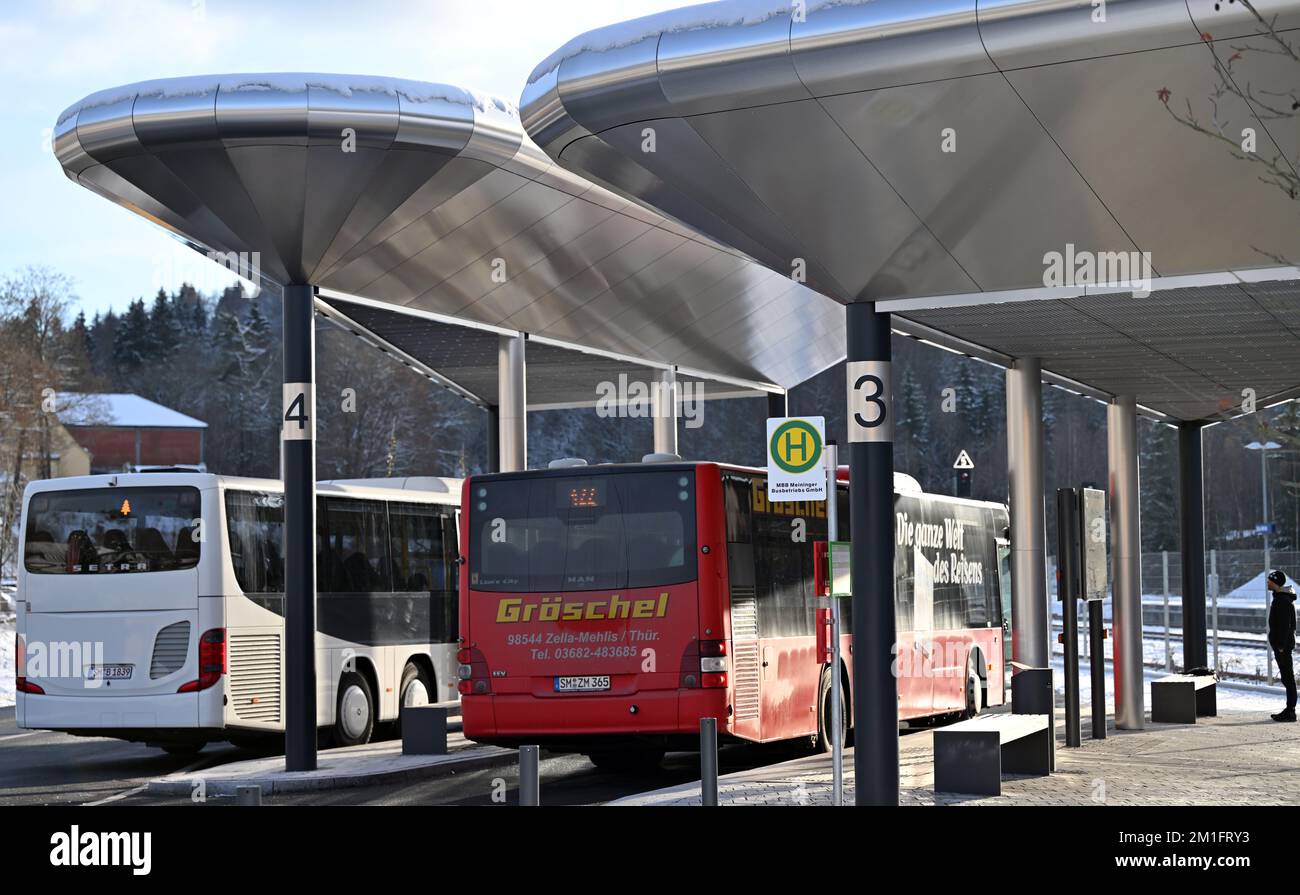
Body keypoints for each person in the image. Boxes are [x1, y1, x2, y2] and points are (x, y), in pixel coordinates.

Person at [1267, 569, 1297, 722]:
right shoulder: (1281, 598)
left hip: (1283, 646)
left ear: (1276, 583)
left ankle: (1290, 711)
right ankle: (1289, 709)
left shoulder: (1282, 601)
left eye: (1270, 581)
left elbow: (1286, 626)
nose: (1267, 583)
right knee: (1287, 678)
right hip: (1282, 645)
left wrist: (1280, 645)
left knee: (1288, 678)